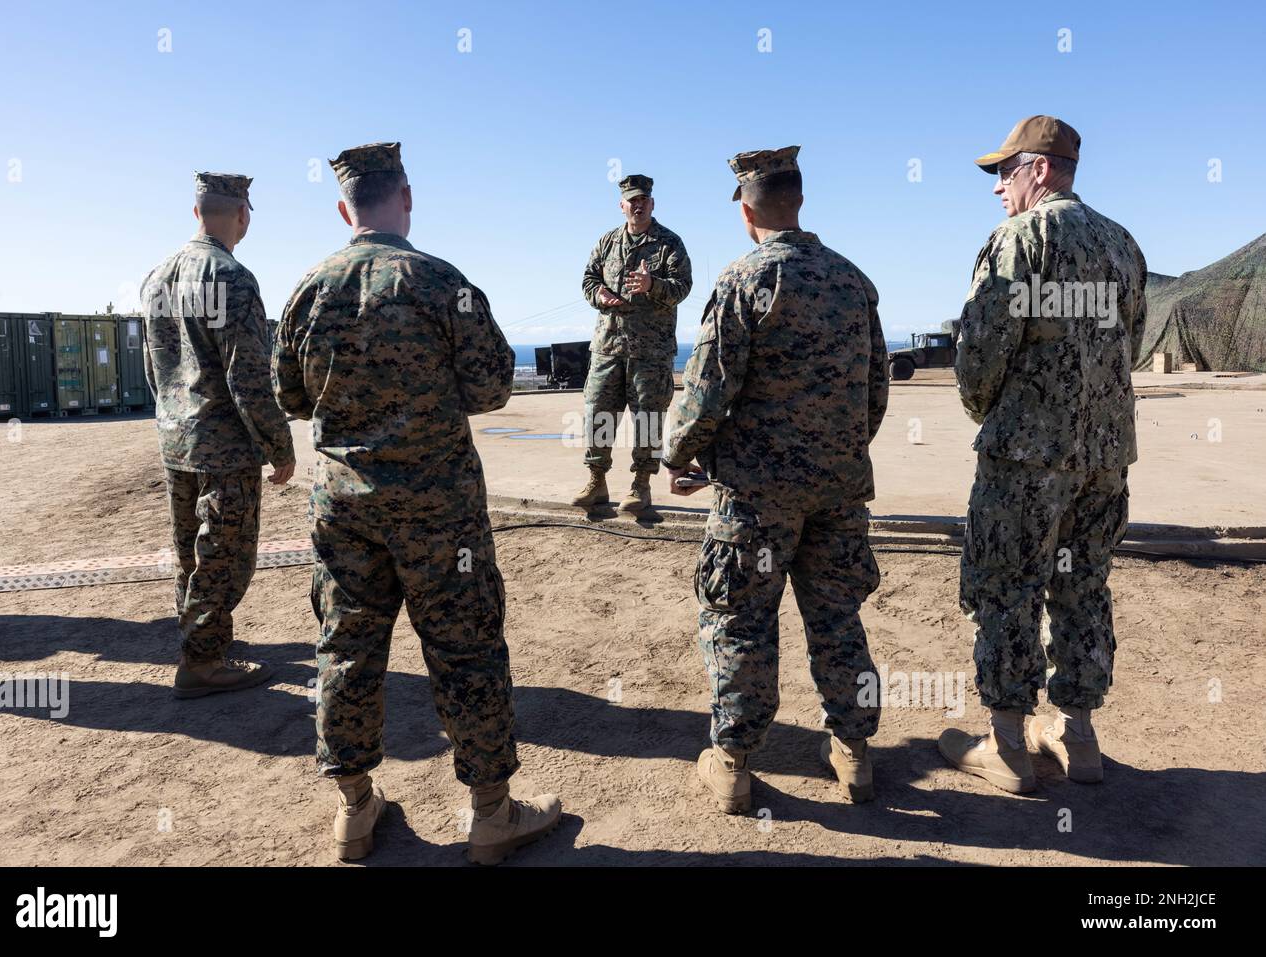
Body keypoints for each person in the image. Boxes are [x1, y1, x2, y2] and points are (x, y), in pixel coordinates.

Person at [272, 142, 561, 863]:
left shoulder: (309, 289)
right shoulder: (441, 283)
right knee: (466, 649)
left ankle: (354, 810)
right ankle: (492, 813)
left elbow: (290, 397)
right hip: (441, 512)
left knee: (346, 648)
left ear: (346, 209)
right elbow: (494, 385)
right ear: (406, 197)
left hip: (346, 509)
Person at [663, 146, 889, 813]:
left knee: (739, 620)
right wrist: (835, 452)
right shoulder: (853, 282)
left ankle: (732, 762)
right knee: (837, 617)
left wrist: (682, 454)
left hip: (756, 498)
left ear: (747, 209)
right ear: (798, 200)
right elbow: (875, 391)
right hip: (838, 489)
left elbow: (706, 392)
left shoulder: (743, 282)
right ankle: (854, 753)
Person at [938, 116, 1148, 793]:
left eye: (1005, 171)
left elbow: (978, 356)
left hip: (1027, 460)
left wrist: (993, 414)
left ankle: (1006, 745)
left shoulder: (1020, 238)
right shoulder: (1123, 244)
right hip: (1104, 457)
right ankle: (1077, 735)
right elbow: (1132, 343)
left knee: (1004, 587)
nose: (997, 187)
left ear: (1040, 168)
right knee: (1082, 585)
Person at [140, 171, 295, 700]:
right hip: (224, 445)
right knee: (225, 555)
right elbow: (248, 377)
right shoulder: (232, 277)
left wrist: (171, 416)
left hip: (175, 438)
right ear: (243, 216)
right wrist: (279, 445)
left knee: (190, 551)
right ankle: (202, 663)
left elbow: (154, 366)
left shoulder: (156, 277)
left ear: (195, 212)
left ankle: (199, 642)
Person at [573, 173, 692, 512]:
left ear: (652, 204)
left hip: (650, 353)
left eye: (644, 200)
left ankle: (641, 485)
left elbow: (681, 287)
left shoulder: (670, 243)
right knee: (597, 415)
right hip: (607, 347)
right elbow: (588, 278)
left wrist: (652, 284)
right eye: (632, 201)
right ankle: (596, 482)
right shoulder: (607, 241)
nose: (637, 205)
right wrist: (598, 294)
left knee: (647, 420)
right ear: (622, 205)